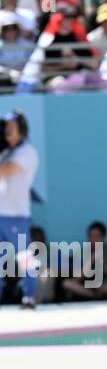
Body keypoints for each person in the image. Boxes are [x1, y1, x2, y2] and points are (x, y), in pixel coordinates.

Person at [0, 110, 40, 309]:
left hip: (17, 215)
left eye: (11, 127)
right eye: (5, 126)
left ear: (21, 130)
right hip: (0, 213)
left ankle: (29, 297)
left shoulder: (27, 152)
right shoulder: (5, 151)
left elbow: (7, 170)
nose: (7, 130)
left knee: (24, 258)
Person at [60, 221, 107, 300]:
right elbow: (76, 279)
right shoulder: (81, 251)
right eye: (91, 237)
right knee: (66, 284)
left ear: (104, 237)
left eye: (97, 236)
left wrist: (103, 262)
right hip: (85, 285)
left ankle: (99, 293)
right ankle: (93, 295)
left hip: (104, 284)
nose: (93, 240)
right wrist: (91, 260)